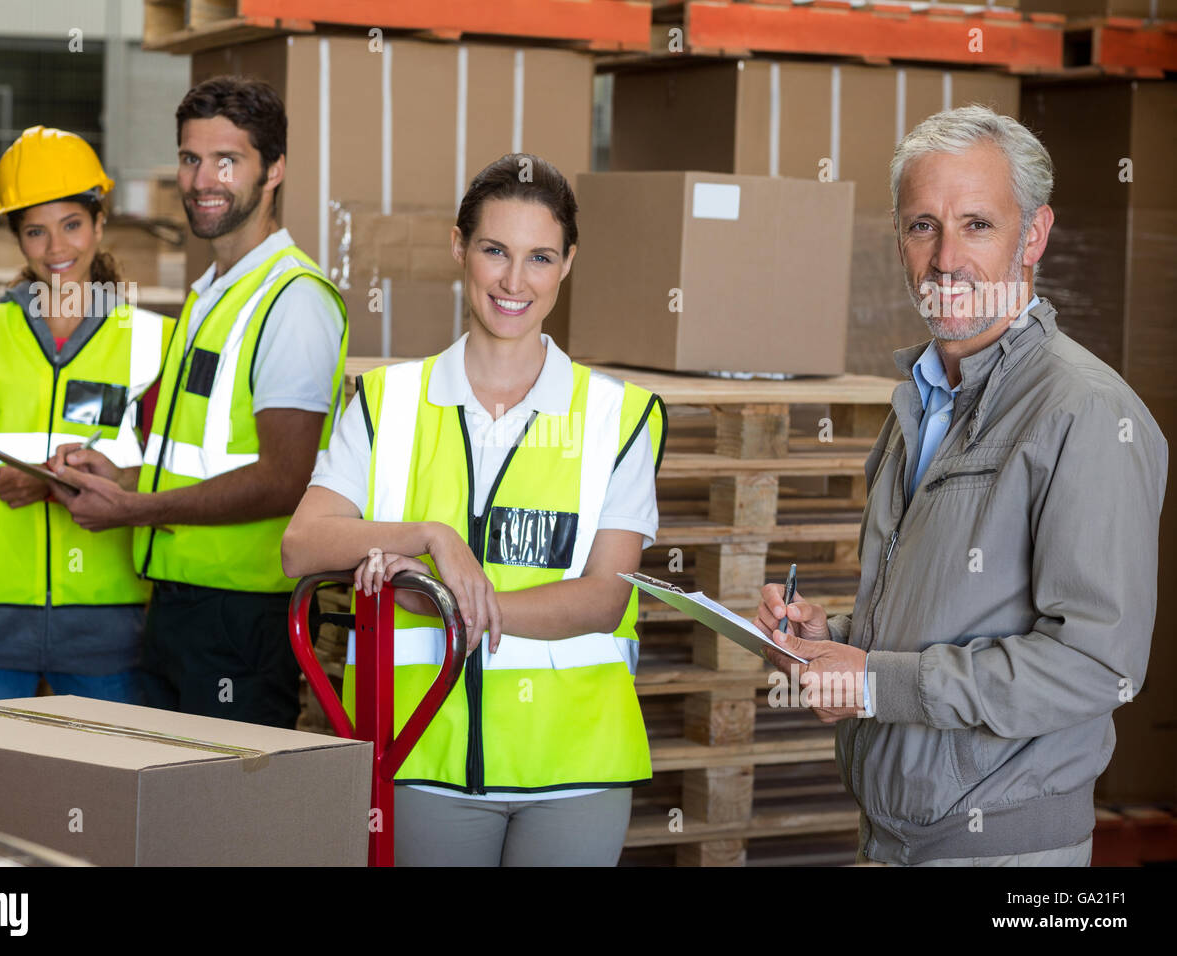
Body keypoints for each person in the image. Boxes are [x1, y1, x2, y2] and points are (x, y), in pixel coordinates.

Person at [752, 105, 1167, 866]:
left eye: (977, 224)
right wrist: (834, 644)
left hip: (1000, 849)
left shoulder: (1085, 411)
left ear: (1033, 235)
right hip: (892, 833)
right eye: (922, 226)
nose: (946, 259)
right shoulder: (923, 395)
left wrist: (876, 683)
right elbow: (943, 612)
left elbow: (1096, 666)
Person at [282, 153, 666, 866]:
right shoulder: (387, 403)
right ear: (459, 248)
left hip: (575, 764)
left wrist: (438, 600)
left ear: (567, 263)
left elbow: (605, 599)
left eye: (540, 258)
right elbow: (301, 545)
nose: (514, 282)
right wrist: (432, 537)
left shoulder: (620, 417)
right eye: (494, 251)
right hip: (421, 750)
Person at [48, 76, 348, 730]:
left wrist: (136, 509)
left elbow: (284, 478)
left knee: (224, 821)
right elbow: (209, 454)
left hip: (241, 617)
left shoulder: (292, 300)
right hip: (183, 605)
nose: (202, 179)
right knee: (172, 812)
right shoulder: (213, 292)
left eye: (227, 160)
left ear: (274, 171)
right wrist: (123, 478)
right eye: (190, 159)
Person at [0, 126, 173, 703]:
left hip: (107, 614)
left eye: (71, 224)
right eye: (35, 230)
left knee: (111, 783)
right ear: (16, 236)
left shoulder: (153, 341)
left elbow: (166, 475)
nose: (56, 248)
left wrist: (77, 485)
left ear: (98, 222)